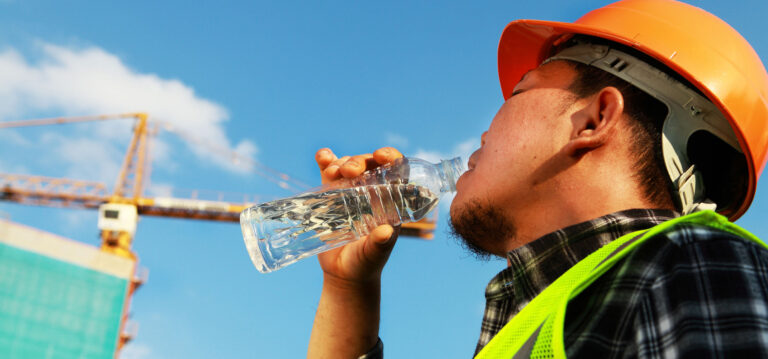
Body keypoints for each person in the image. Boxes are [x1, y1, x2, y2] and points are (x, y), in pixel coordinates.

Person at [307, 0, 768, 357]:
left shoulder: (690, 264)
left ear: (594, 119)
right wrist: (349, 290)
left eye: (521, 90)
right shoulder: (552, 310)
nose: (487, 129)